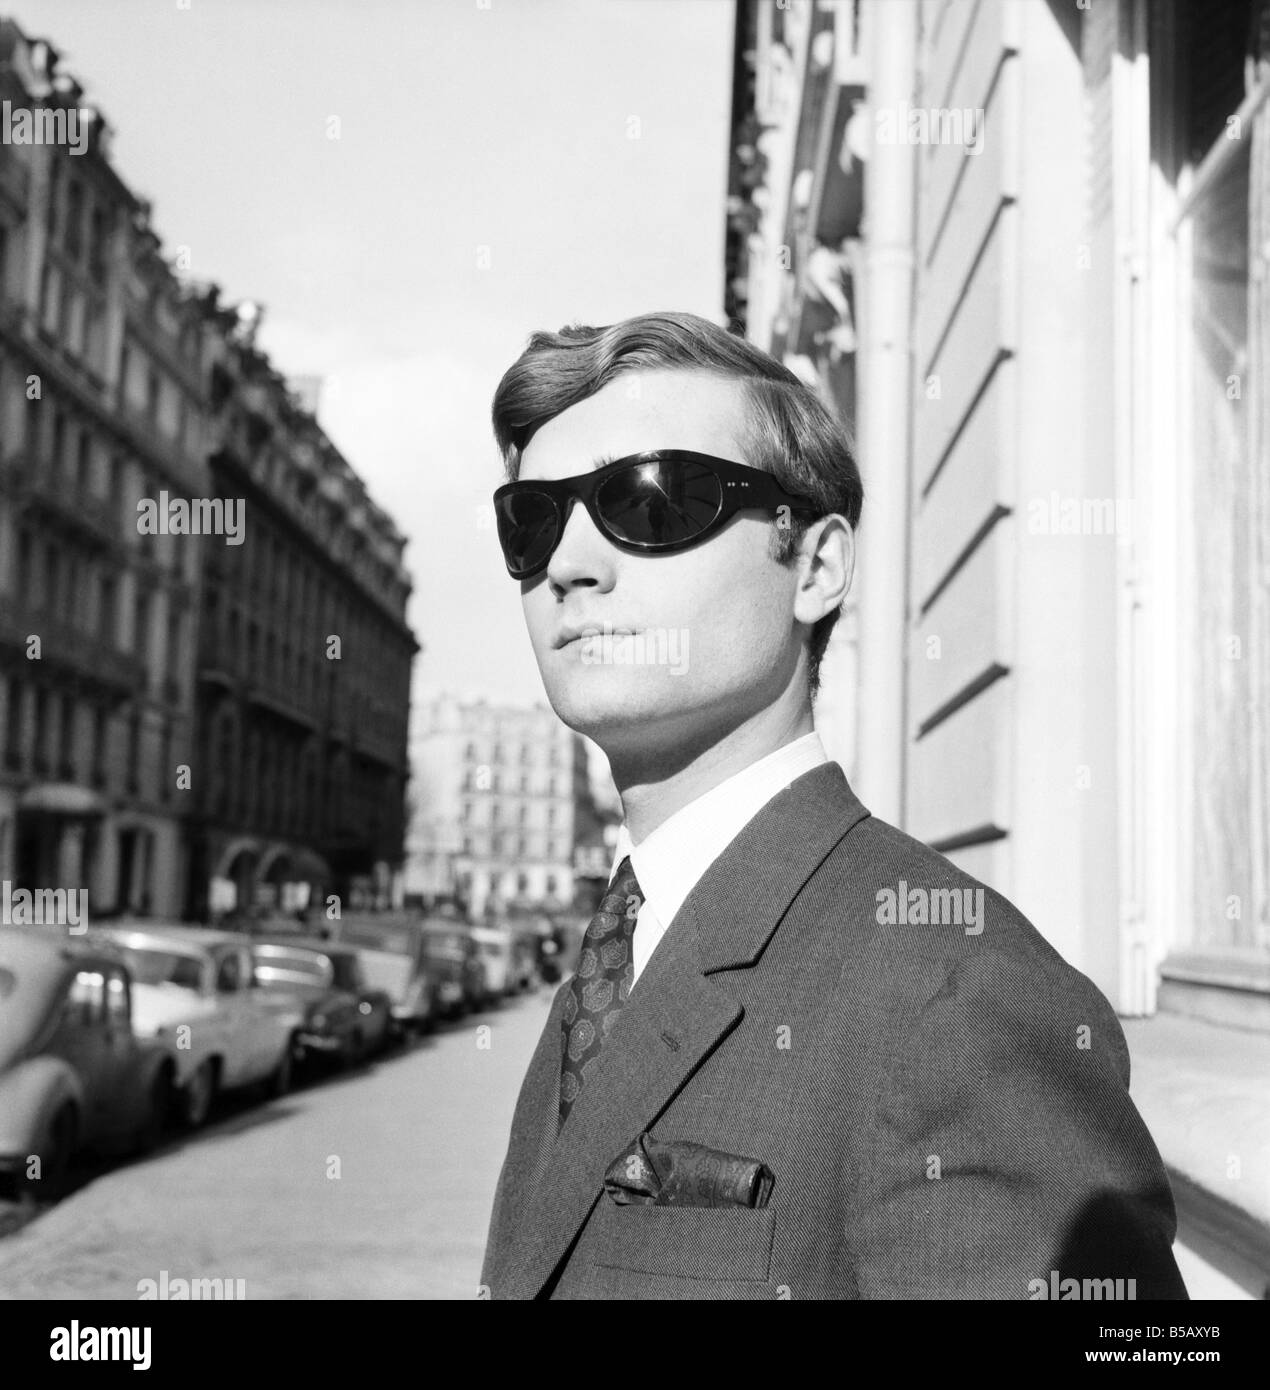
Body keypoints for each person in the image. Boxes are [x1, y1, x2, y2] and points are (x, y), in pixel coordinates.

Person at [479, 310, 1186, 1301]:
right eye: (534, 517)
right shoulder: (622, 954)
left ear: (814, 567)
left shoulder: (952, 996)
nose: (570, 563)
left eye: (649, 500)